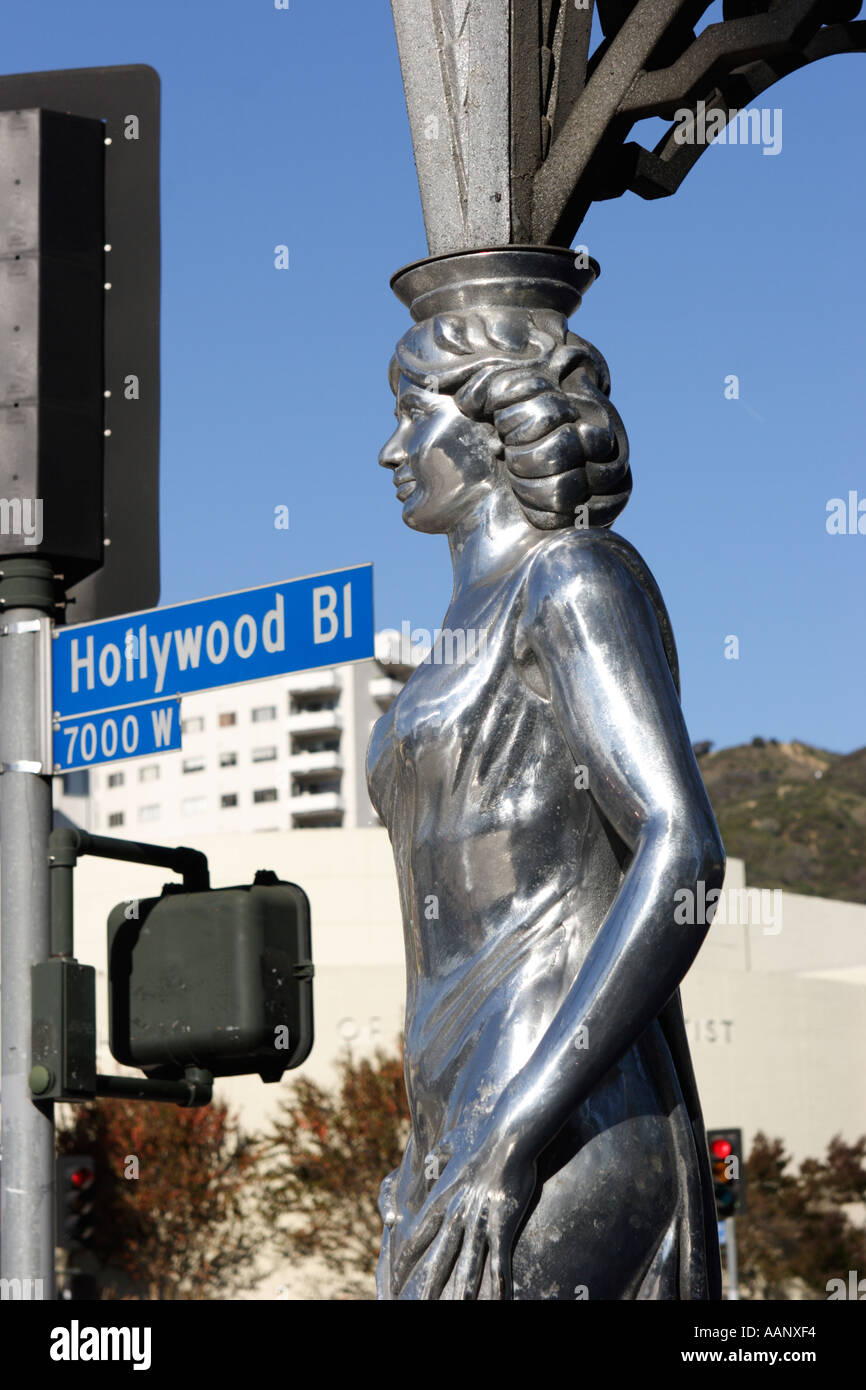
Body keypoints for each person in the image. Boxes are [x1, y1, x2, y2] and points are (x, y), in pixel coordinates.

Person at [367, 256, 724, 1301]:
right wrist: (438, 1139)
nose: (387, 449)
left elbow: (682, 843)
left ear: (491, 423)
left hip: (557, 1095)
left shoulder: (568, 578)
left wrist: (516, 1125)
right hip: (456, 1099)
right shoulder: (453, 626)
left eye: (409, 414)